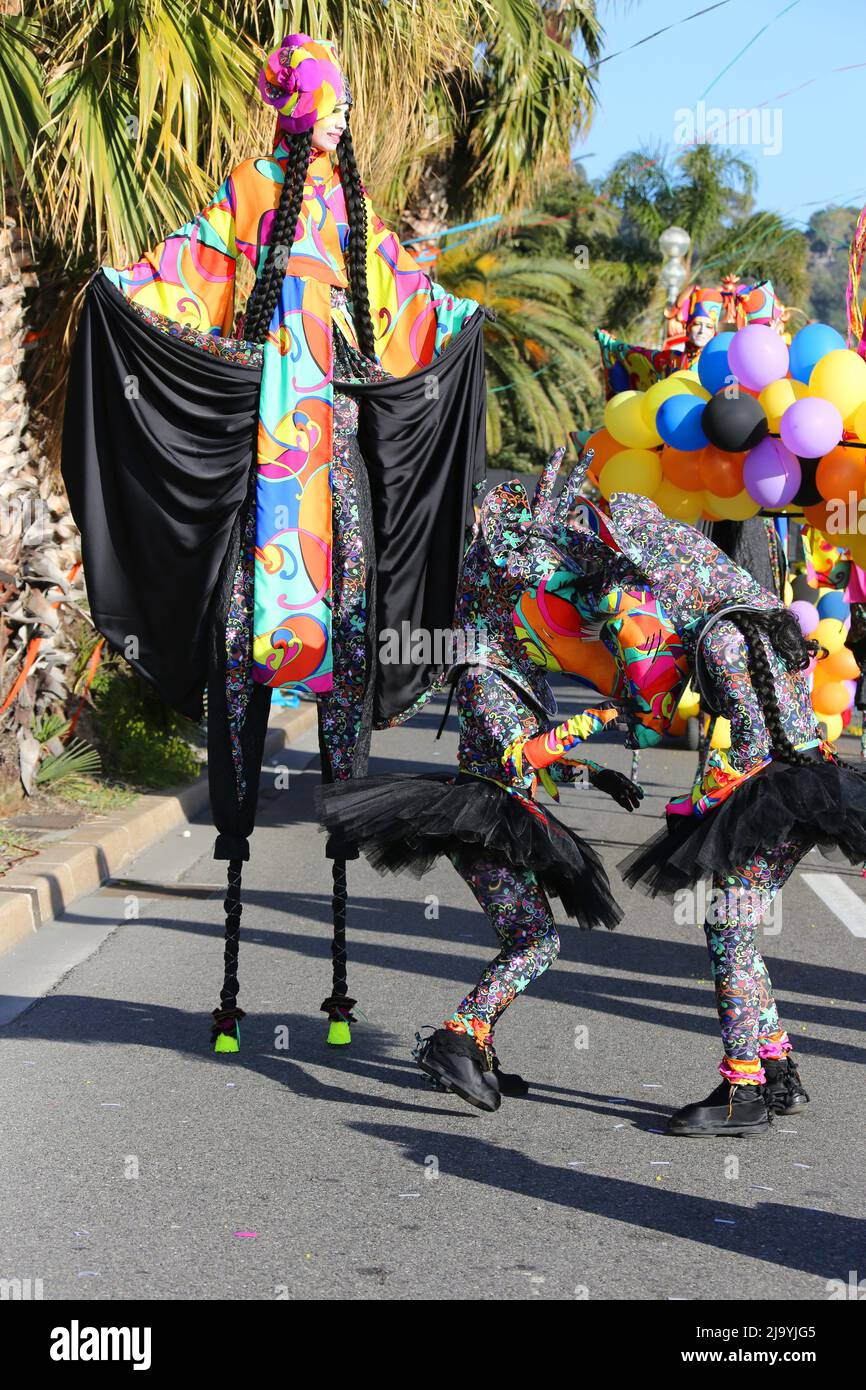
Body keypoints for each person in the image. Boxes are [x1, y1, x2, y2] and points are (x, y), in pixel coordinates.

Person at [61, 35, 487, 1050]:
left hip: (337, 482)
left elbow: (406, 314)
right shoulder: (251, 190)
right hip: (263, 480)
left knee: (347, 657)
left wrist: (458, 320)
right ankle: (233, 932)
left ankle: (338, 868)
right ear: (295, 114)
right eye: (327, 108)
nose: (340, 123)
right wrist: (121, 294)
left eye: (343, 109)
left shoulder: (362, 218)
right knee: (237, 665)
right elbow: (178, 276)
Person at [318, 450, 688, 1112]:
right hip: (483, 825)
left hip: (500, 814)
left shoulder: (516, 667)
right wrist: (604, 717)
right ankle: (458, 1038)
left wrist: (594, 773)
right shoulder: (485, 672)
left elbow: (522, 754)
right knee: (535, 943)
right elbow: (520, 756)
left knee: (529, 939)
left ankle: (475, 1043)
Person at [589, 494, 866, 1136]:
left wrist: (700, 801)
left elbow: (752, 739)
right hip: (811, 784)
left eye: (644, 580)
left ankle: (743, 1090)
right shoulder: (765, 614)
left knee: (728, 932)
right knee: (733, 930)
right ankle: (777, 1070)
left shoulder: (720, 634)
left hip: (772, 795)